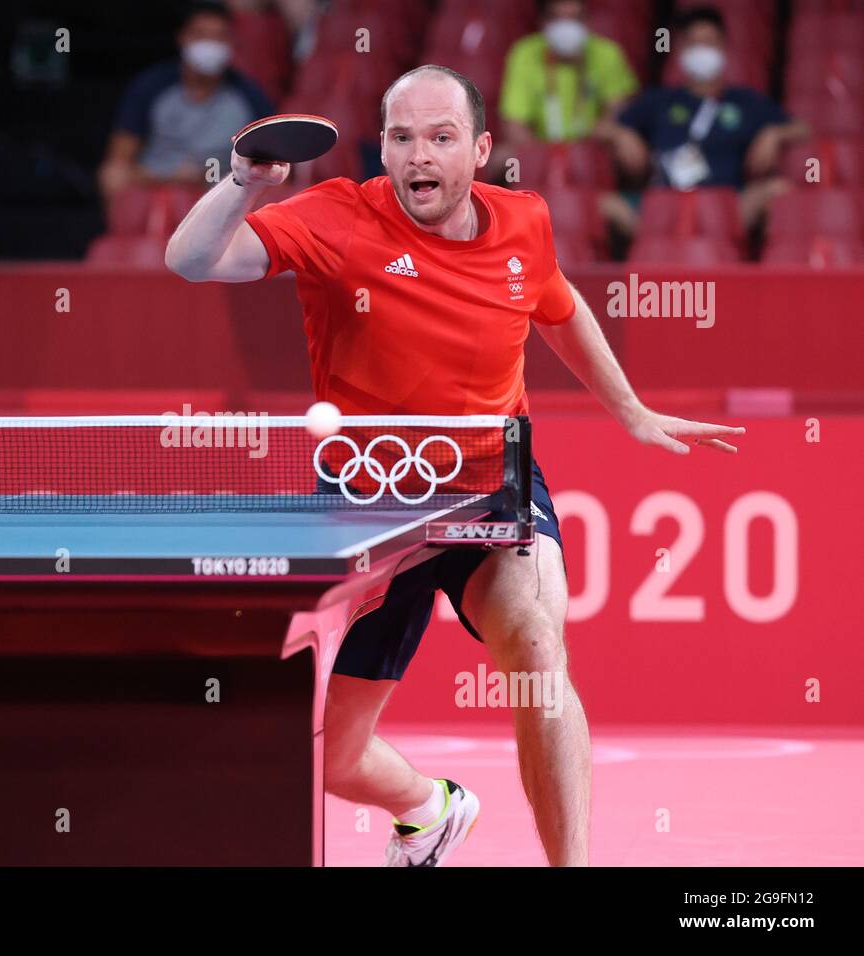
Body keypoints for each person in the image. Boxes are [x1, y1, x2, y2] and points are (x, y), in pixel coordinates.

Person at [165, 63, 744, 866]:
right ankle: (429, 807)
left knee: (537, 648)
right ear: (384, 147)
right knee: (330, 757)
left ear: (479, 149)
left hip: (489, 490)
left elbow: (562, 309)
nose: (417, 156)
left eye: (439, 138)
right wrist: (243, 185)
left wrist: (630, 409)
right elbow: (193, 261)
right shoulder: (334, 217)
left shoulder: (524, 223)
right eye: (401, 138)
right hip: (369, 504)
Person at [608, 5, 808, 231]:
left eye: (709, 43)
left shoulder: (745, 101)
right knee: (604, 204)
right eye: (694, 43)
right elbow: (601, 128)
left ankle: (715, 240)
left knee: (777, 189)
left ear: (723, 47)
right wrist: (621, 134)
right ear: (681, 49)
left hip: (728, 206)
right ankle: (654, 242)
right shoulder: (659, 100)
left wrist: (774, 133)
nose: (702, 50)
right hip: (662, 201)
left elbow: (803, 129)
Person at [98, 1, 274, 199]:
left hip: (224, 192)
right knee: (112, 175)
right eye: (201, 35)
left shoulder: (249, 95)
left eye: (219, 37)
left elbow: (272, 165)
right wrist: (167, 178)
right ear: (183, 37)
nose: (210, 45)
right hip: (155, 183)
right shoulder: (151, 87)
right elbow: (119, 159)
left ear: (231, 42)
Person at [498, 0, 638, 147]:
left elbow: (619, 114)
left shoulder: (607, 53)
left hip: (595, 148)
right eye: (557, 18)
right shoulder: (524, 54)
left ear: (588, 21)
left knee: (628, 144)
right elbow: (514, 127)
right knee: (503, 156)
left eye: (575, 18)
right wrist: (553, 157)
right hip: (540, 150)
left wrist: (583, 148)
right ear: (542, 22)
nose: (566, 28)